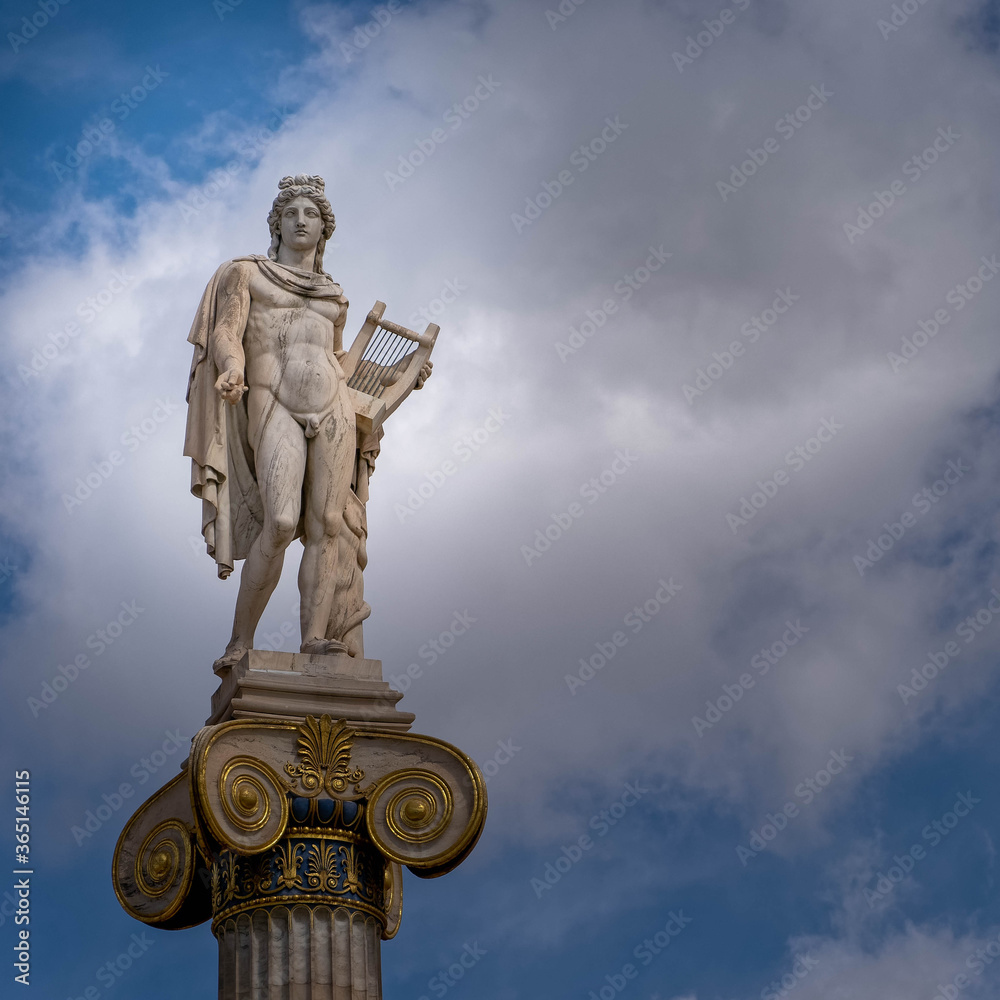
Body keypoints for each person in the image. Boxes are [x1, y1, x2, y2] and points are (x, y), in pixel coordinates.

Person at [184, 174, 361, 671]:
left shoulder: (333, 295)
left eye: (311, 215)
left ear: (324, 231)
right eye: (291, 213)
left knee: (327, 525)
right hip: (272, 402)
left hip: (332, 406)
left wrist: (399, 375)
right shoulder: (247, 273)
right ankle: (241, 641)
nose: (300, 221)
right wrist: (233, 367)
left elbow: (339, 358)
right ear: (277, 224)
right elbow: (226, 330)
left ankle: (315, 640)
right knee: (281, 522)